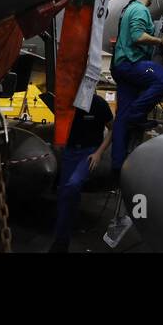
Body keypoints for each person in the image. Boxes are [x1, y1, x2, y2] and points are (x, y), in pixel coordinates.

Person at [109, 0, 163, 172]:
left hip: (120, 67)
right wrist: (160, 41)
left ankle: (117, 165)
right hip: (132, 64)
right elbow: (138, 37)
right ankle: (136, 115)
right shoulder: (140, 10)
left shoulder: (127, 9)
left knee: (121, 117)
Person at [50, 92, 114, 252]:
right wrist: (59, 141)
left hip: (88, 153)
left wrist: (98, 153)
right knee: (64, 195)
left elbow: (113, 129)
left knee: (72, 186)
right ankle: (61, 241)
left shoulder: (99, 104)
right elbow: (62, 122)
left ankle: (64, 235)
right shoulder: (68, 102)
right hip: (69, 152)